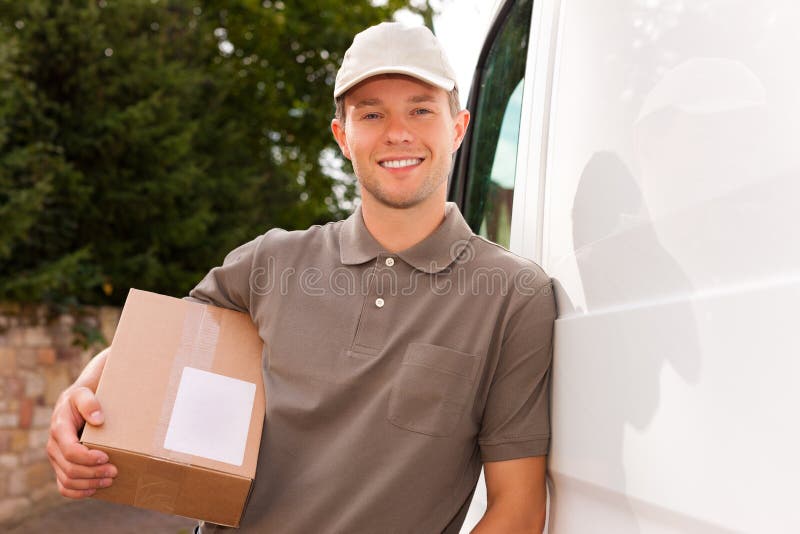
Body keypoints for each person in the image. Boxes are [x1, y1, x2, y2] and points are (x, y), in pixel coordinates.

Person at [47, 22, 556, 533]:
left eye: (420, 109)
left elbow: (519, 507)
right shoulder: (268, 263)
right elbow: (155, 354)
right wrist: (81, 395)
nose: (397, 132)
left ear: (458, 128)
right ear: (343, 136)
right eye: (371, 114)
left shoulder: (513, 296)